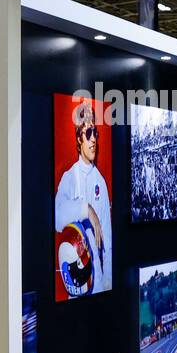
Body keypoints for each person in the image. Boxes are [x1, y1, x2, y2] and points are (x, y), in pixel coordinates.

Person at [54, 101, 112, 294]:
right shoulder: (69, 177)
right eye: (88, 134)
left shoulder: (100, 182)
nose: (93, 139)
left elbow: (108, 243)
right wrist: (86, 209)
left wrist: (108, 284)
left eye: (95, 132)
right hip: (77, 284)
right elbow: (57, 216)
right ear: (79, 139)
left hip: (98, 286)